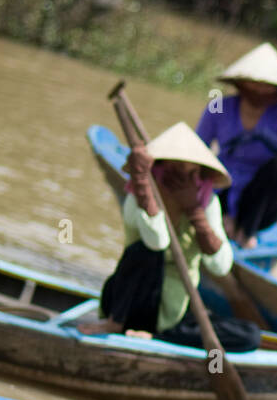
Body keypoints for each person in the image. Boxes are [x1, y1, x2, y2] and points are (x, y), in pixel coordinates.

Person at [80, 122, 259, 351]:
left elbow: (220, 266)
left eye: (191, 174)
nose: (182, 181)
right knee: (146, 251)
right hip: (130, 307)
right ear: (160, 170)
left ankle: (156, 339)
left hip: (174, 313)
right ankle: (117, 325)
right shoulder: (137, 199)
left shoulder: (208, 205)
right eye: (175, 173)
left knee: (250, 336)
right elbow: (158, 242)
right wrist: (147, 194)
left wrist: (195, 213)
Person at [196, 42, 277, 249]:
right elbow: (197, 146)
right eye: (255, 83)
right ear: (242, 82)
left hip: (257, 203)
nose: (260, 90)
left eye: (267, 86)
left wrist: (268, 138)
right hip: (220, 188)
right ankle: (222, 217)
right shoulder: (219, 105)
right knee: (204, 165)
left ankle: (246, 232)